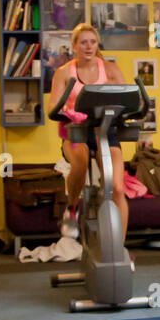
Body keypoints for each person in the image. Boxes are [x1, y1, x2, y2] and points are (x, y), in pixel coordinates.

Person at [48, 23, 130, 244]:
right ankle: (73, 207)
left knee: (117, 188)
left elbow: (124, 99)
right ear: (74, 45)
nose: (88, 46)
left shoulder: (110, 69)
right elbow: (52, 107)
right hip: (74, 133)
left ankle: (119, 248)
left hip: (104, 132)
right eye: (83, 42)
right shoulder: (64, 72)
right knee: (81, 162)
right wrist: (68, 112)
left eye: (92, 42)